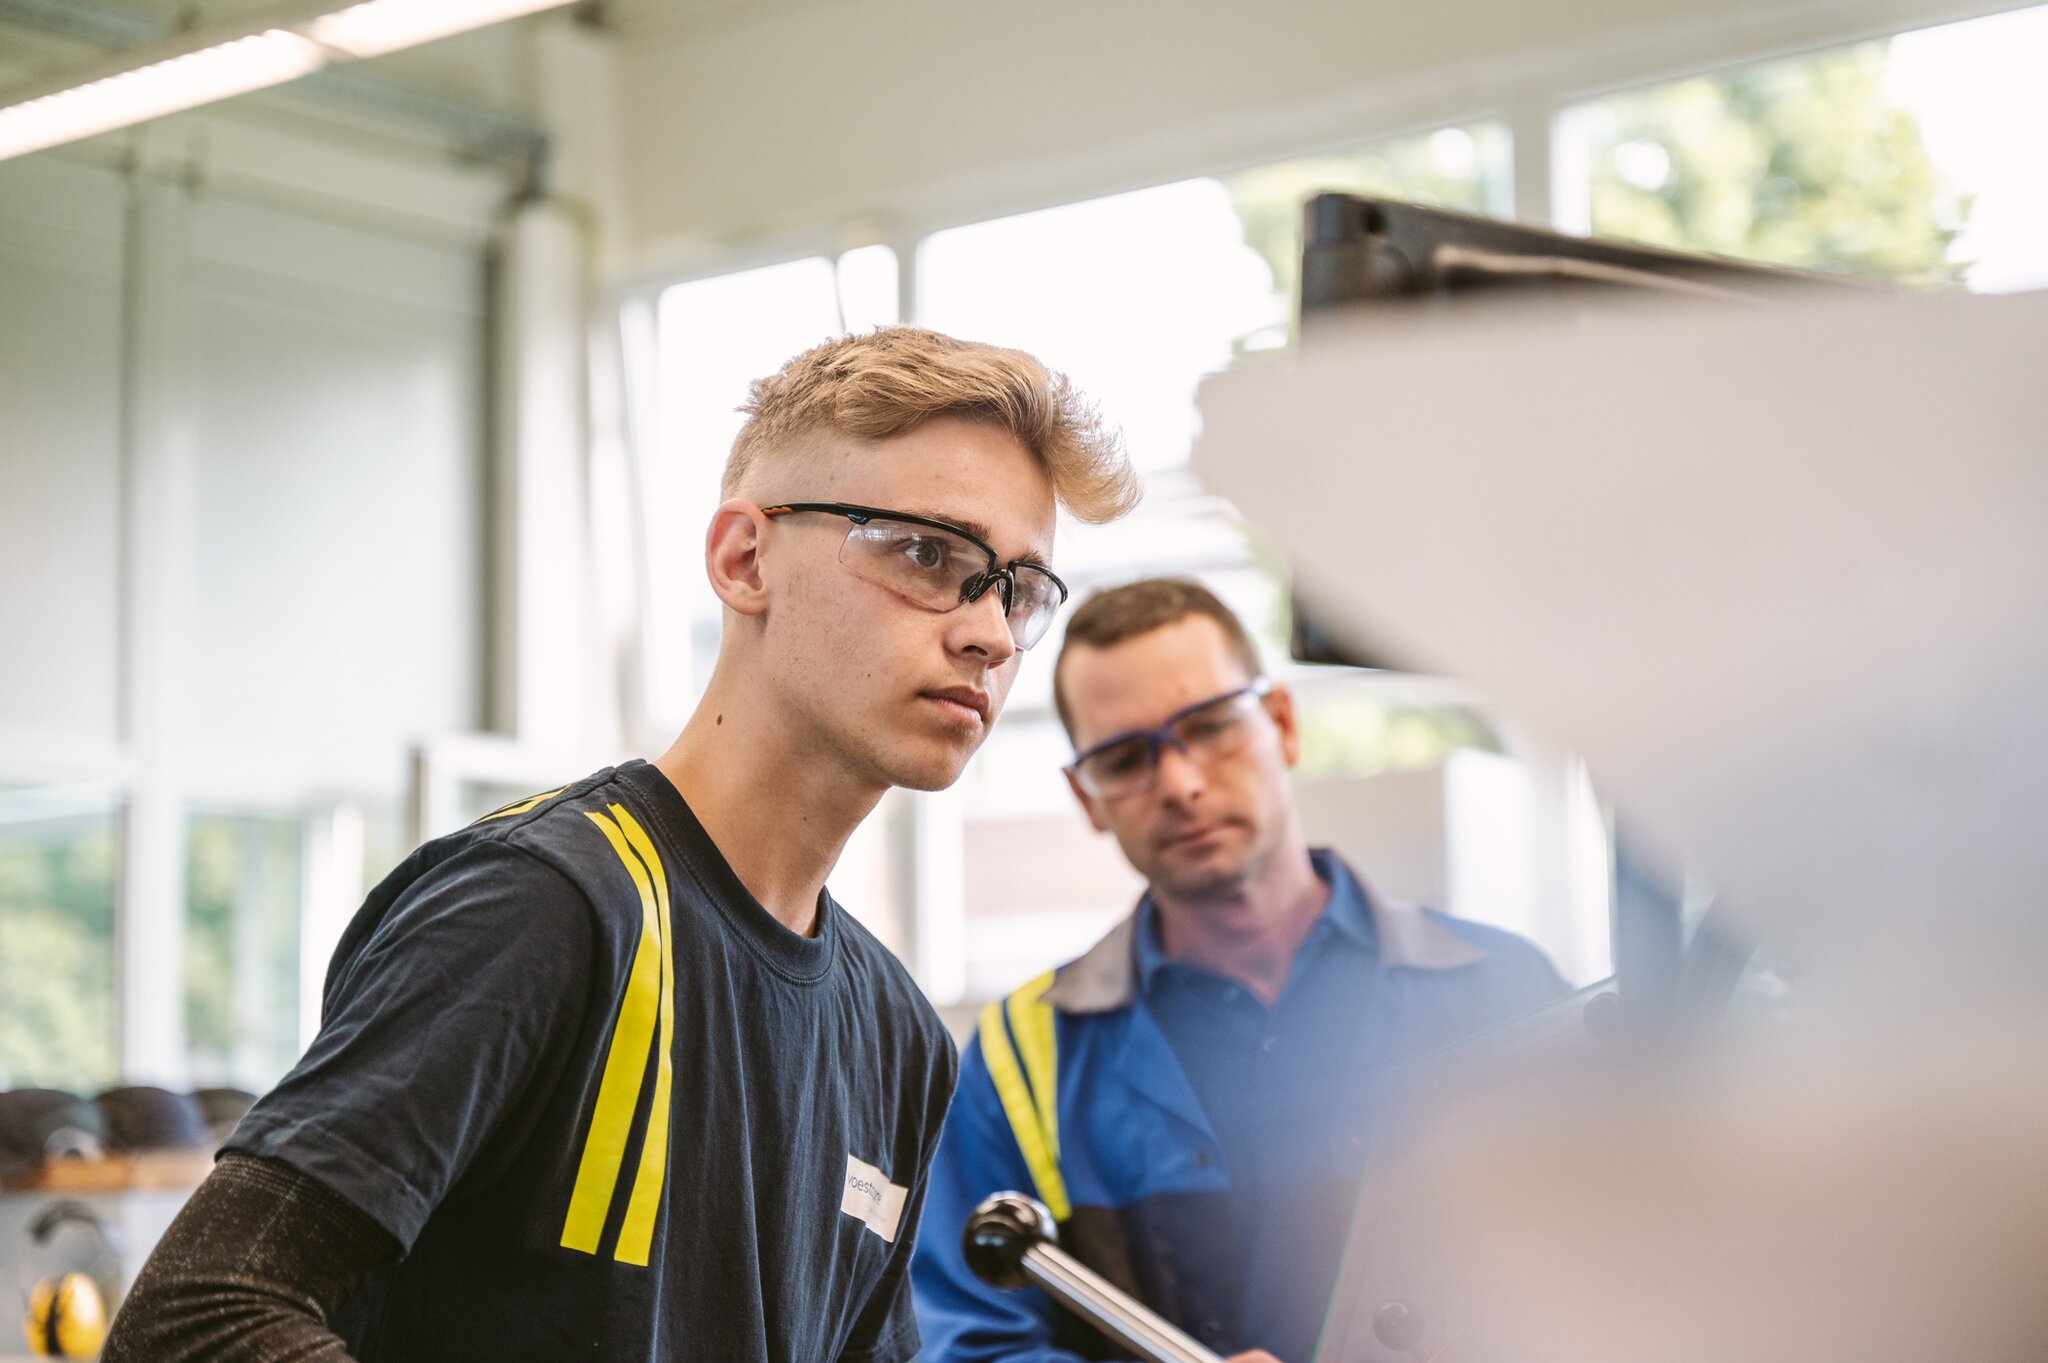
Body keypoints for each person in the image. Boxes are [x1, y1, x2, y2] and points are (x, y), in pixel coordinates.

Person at [103, 326, 1139, 1363]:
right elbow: (197, 1318)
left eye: (1017, 588)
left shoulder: (897, 1034)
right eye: (929, 554)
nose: (991, 633)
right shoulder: (544, 905)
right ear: (744, 559)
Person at [911, 579, 1567, 1363]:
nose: (1182, 784)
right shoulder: (1026, 1057)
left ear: (1283, 724)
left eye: (1211, 725)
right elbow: (972, 1340)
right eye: (1126, 757)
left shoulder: (1508, 995)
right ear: (1087, 798)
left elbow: (1622, 1291)